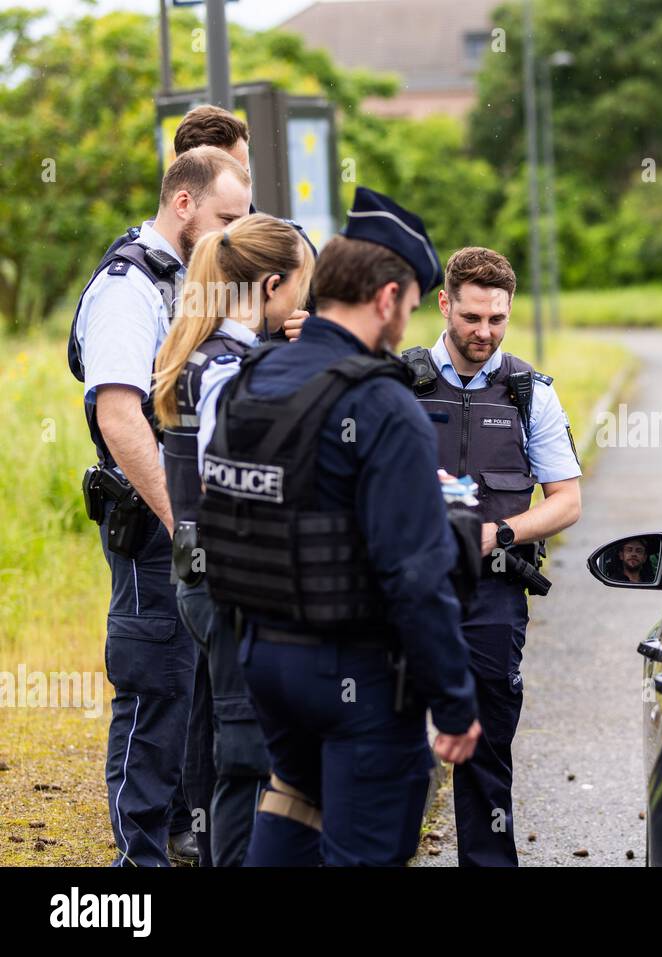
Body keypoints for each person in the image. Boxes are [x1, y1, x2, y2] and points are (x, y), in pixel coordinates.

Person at [196, 188, 481, 866]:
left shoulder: (251, 377)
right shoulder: (382, 403)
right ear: (386, 298)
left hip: (262, 659)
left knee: (293, 799)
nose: (407, 323)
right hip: (355, 675)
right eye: (411, 306)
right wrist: (455, 699)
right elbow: (413, 575)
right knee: (366, 846)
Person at [70, 146, 253, 867]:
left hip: (193, 524)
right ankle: (136, 869)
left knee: (199, 694)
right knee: (156, 690)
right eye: (225, 219)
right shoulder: (130, 286)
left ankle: (185, 840)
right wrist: (183, 523)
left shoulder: (193, 278)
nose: (234, 235)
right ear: (184, 204)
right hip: (154, 525)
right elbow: (121, 416)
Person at [402, 246, 582, 866]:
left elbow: (566, 501)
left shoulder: (530, 393)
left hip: (492, 596)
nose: (484, 333)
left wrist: (500, 533)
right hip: (405, 591)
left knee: (486, 748)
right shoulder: (398, 381)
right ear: (445, 304)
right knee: (387, 744)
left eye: (497, 320)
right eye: (472, 317)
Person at [153, 214, 314, 865]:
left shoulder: (208, 353)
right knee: (247, 761)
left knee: (241, 750)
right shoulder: (228, 369)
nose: (302, 302)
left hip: (202, 575)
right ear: (271, 283)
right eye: (300, 287)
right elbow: (239, 484)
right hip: (229, 582)